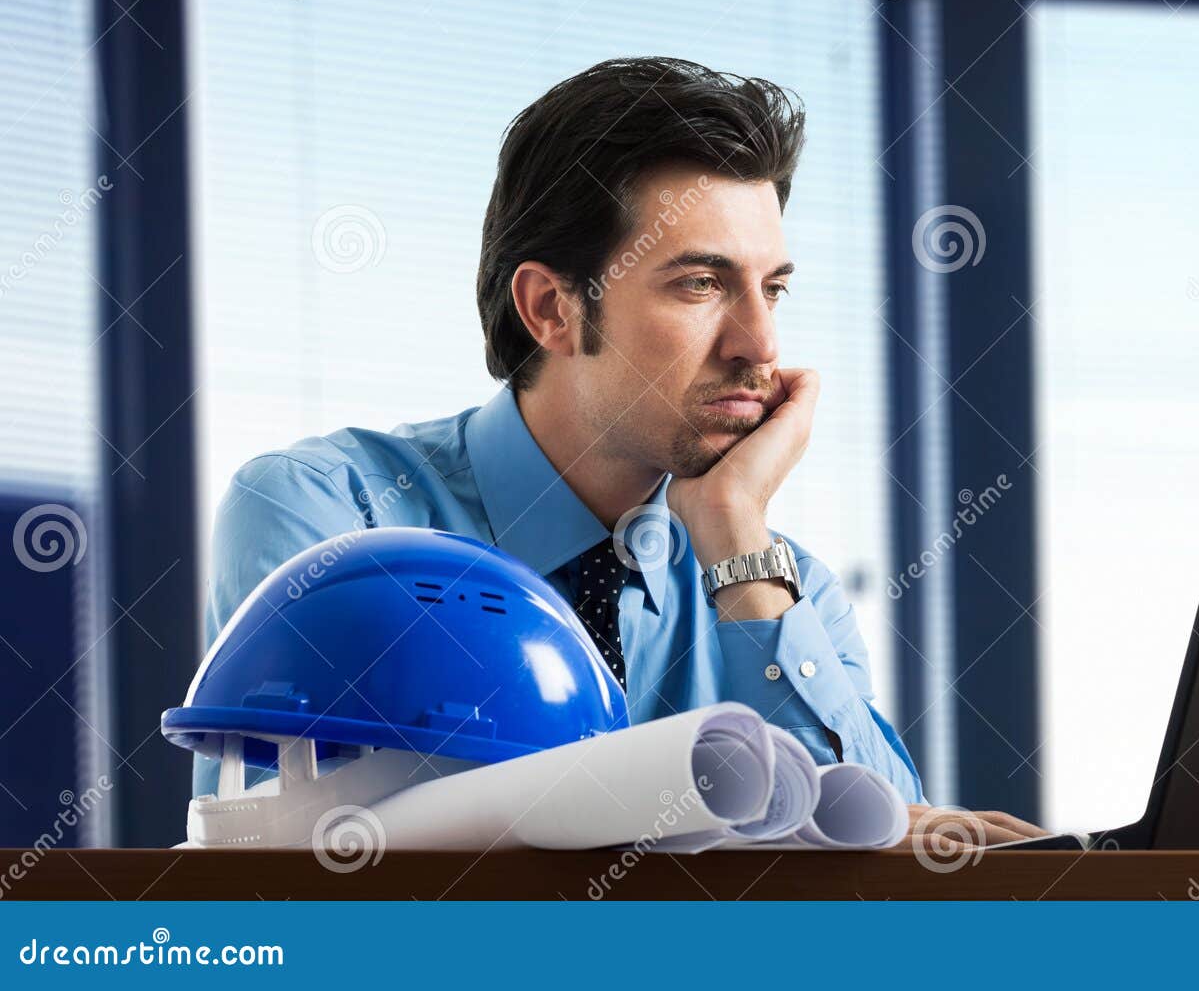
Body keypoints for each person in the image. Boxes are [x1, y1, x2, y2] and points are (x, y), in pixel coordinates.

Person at [200, 56, 1046, 851]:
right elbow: (314, 860)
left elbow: (883, 858)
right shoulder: (327, 516)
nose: (761, 344)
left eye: (773, 289)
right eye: (702, 284)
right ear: (551, 308)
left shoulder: (779, 589)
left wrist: (737, 534)